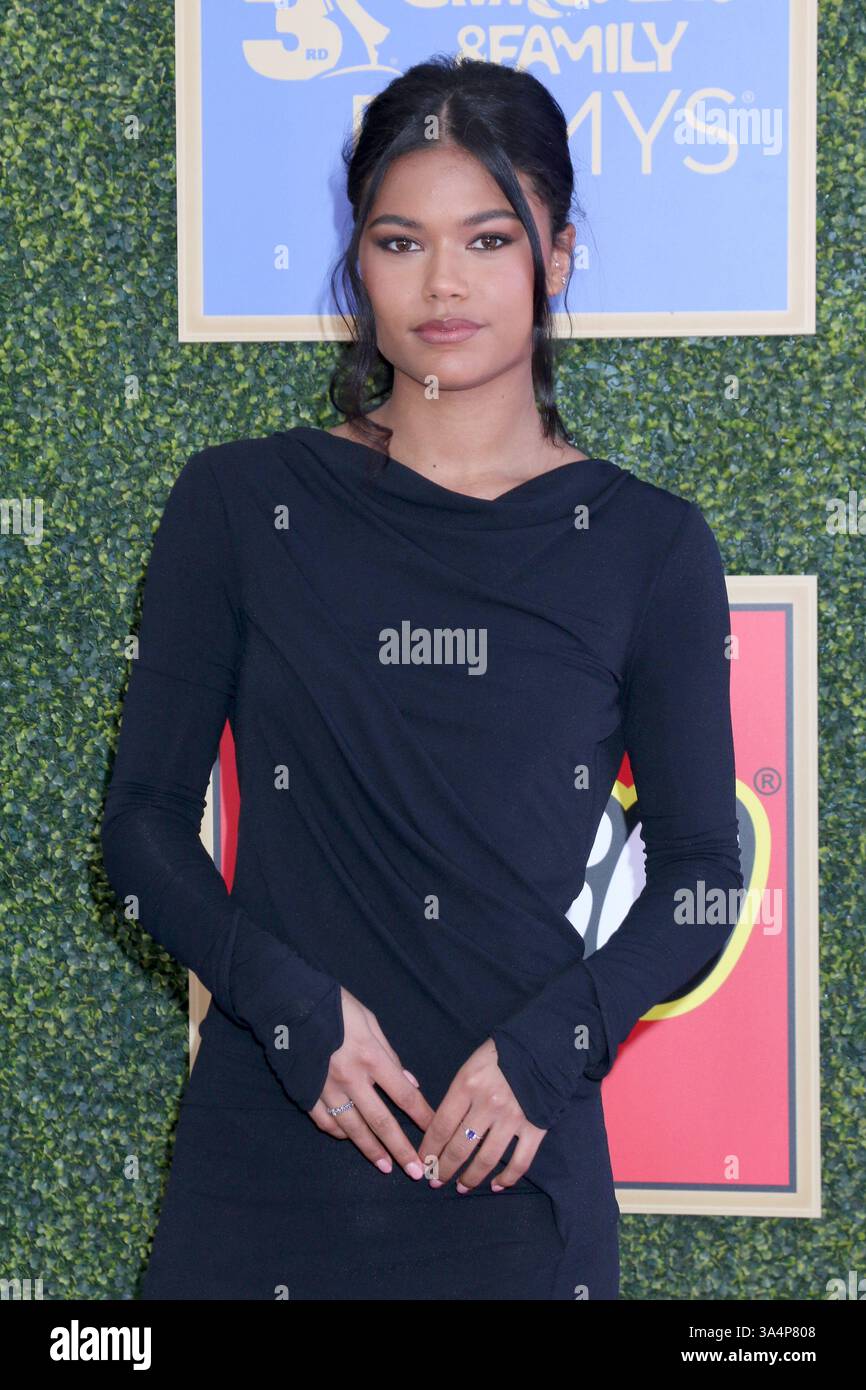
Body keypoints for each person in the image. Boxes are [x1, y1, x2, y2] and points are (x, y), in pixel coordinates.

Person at [101, 55, 743, 1300]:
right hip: (264, 1171)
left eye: (487, 237)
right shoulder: (240, 505)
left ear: (555, 254)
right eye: (400, 241)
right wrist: (290, 1004)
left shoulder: (647, 546)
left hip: (511, 1180)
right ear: (356, 264)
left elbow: (702, 878)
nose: (442, 284)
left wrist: (551, 1045)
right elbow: (138, 827)